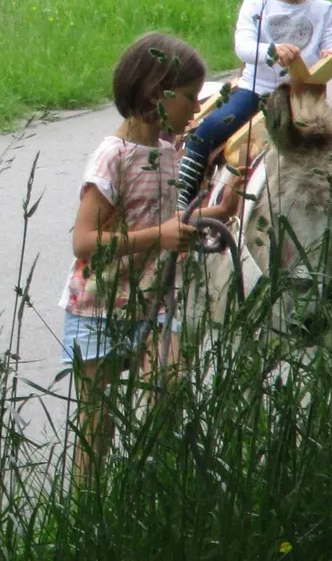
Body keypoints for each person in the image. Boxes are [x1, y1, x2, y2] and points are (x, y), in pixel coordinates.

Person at [65, 32, 217, 480]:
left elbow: (167, 220)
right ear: (157, 94)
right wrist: (161, 236)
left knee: (170, 382)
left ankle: (152, 485)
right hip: (101, 305)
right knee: (97, 421)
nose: (196, 108)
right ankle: (86, 514)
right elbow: (83, 241)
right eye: (190, 97)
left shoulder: (168, 152)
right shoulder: (113, 157)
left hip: (154, 302)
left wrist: (211, 212)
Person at [172, 0, 332, 213]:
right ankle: (180, 202)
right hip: (256, 94)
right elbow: (242, 47)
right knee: (208, 130)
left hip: (306, 103)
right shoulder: (255, 6)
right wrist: (271, 51)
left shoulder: (321, 9)